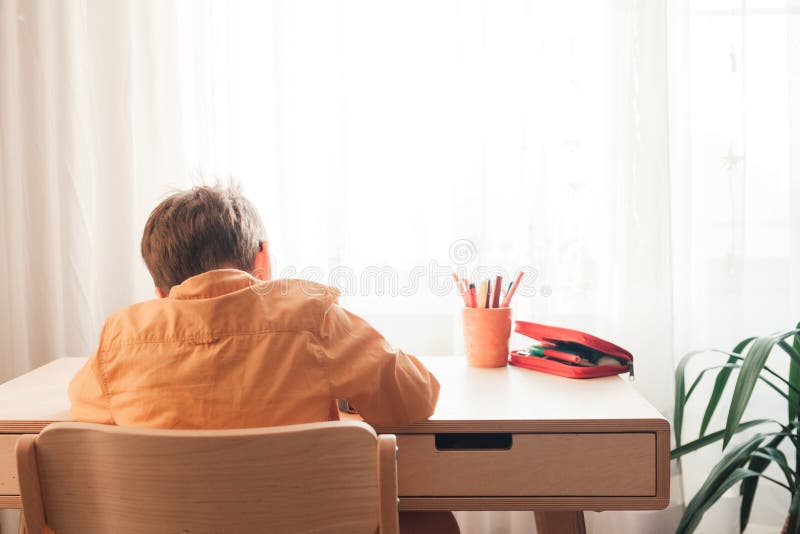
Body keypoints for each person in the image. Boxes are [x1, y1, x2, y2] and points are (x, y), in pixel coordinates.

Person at [68, 184, 459, 533]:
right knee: (436, 520)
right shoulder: (311, 316)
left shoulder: (119, 338)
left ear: (159, 291)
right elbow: (416, 396)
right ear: (263, 258)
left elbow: (86, 413)